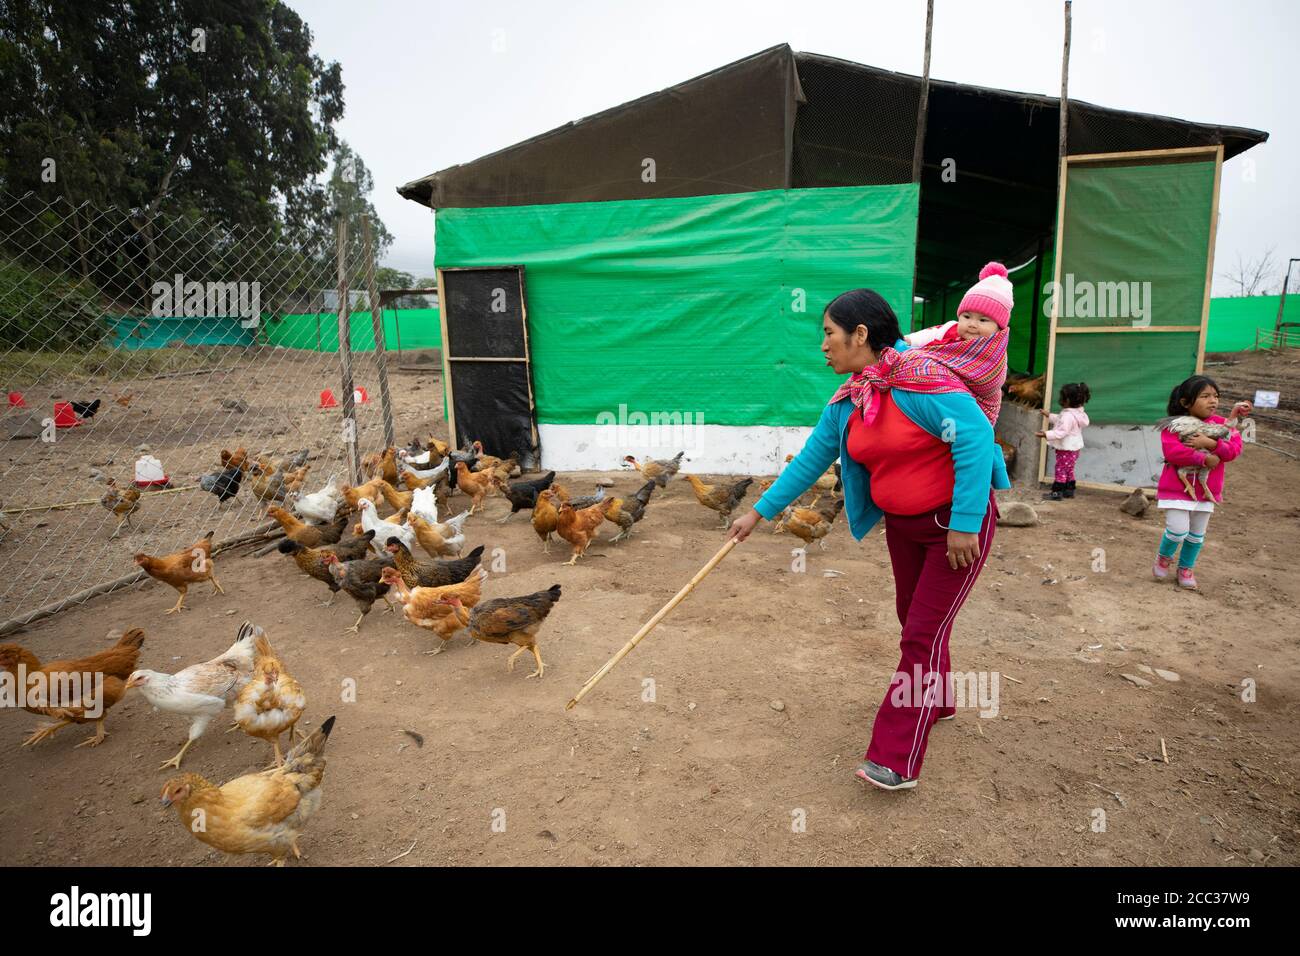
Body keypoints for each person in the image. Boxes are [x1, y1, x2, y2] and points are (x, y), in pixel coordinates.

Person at [728, 266, 1012, 792]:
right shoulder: (851, 400)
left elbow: (974, 437)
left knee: (921, 635)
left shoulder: (923, 382)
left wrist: (967, 523)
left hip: (955, 528)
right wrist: (758, 513)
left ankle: (895, 759)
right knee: (915, 619)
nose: (823, 347)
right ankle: (941, 700)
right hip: (903, 528)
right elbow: (811, 458)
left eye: (829, 335)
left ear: (861, 335)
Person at [1154, 376, 1250, 590]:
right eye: (1205, 396)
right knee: (1178, 530)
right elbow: (1172, 451)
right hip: (1177, 488)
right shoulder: (1174, 425)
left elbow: (1234, 450)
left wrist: (1211, 445)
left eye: (1215, 396)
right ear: (1186, 402)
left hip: (1208, 491)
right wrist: (1202, 458)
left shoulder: (1221, 425)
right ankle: (1164, 557)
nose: (1212, 401)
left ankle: (1185, 568)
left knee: (1196, 535)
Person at [1036, 382, 1091, 500]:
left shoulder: (1068, 416)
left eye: (1062, 397)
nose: (1060, 400)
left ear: (1067, 400)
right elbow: (1060, 419)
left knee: (1060, 468)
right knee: (1069, 469)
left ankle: (1057, 492)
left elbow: (1062, 431)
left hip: (1066, 448)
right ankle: (1069, 490)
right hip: (1074, 448)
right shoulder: (1076, 413)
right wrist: (1048, 415)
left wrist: (1046, 434)